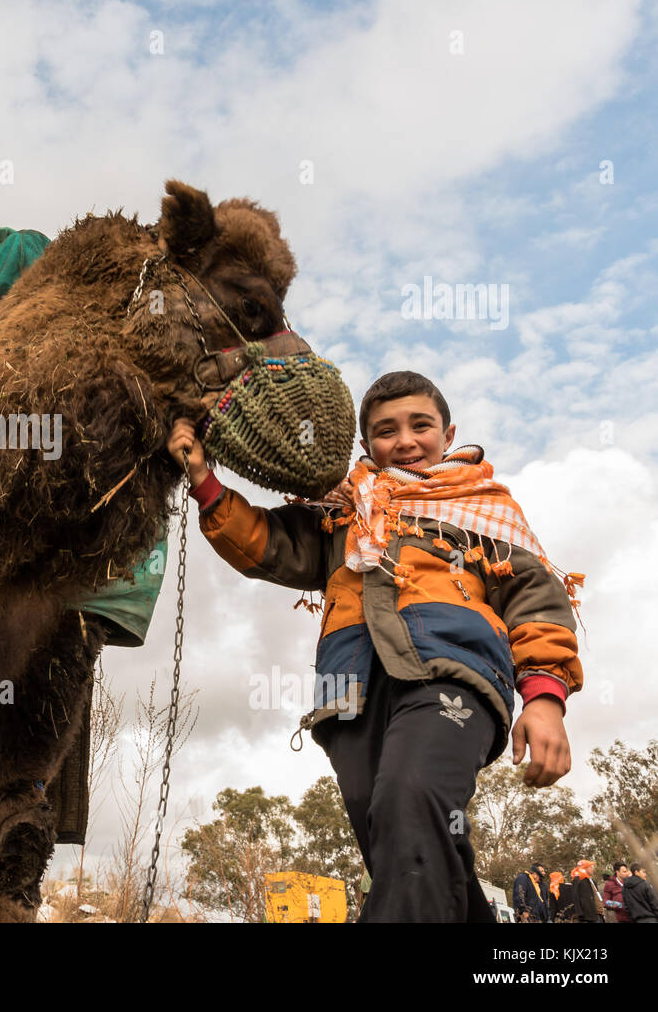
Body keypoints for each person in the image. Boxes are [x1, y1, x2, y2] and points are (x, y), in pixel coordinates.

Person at [167, 370, 583, 922]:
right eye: (386, 430)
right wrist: (203, 478)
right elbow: (268, 542)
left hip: (451, 675)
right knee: (398, 838)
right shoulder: (341, 511)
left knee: (409, 799)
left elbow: (536, 601)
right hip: (351, 691)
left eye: (421, 425)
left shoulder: (482, 507)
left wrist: (545, 699)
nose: (405, 441)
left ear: (448, 431)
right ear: (365, 445)